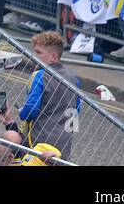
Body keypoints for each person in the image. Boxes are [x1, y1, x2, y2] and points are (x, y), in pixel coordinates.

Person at [17, 31, 81, 161]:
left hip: (40, 139)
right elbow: (77, 110)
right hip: (64, 140)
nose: (34, 56)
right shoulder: (73, 77)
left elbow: (30, 110)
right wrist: (67, 133)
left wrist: (21, 112)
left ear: (53, 56)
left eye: (39, 53)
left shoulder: (40, 76)